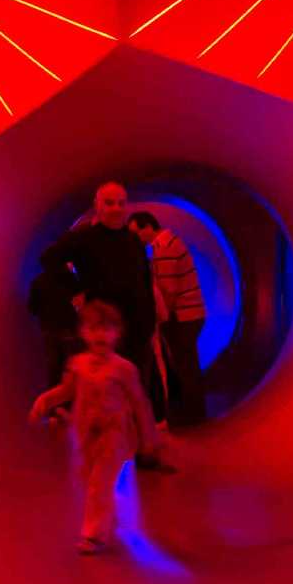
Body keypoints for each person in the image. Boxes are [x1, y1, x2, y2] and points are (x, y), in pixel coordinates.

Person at [30, 298, 171, 554]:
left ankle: (93, 535)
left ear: (117, 334)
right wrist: (45, 400)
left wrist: (149, 436)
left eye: (107, 329)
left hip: (113, 433)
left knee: (99, 482)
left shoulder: (123, 369)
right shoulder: (78, 364)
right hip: (85, 434)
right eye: (94, 328)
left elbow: (139, 402)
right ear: (83, 332)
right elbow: (67, 390)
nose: (101, 334)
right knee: (89, 480)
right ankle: (105, 515)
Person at [40, 182, 166, 424]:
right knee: (110, 395)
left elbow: (144, 280)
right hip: (107, 331)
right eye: (109, 202)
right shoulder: (84, 238)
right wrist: (77, 288)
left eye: (121, 202)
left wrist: (151, 320)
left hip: (138, 329)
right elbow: (48, 259)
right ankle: (112, 452)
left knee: (138, 392)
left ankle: (139, 451)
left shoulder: (132, 240)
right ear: (97, 205)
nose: (116, 208)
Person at [130, 210, 208, 427]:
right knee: (188, 362)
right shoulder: (171, 241)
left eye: (136, 233)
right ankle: (195, 409)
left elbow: (168, 290)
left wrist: (162, 317)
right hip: (192, 313)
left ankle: (193, 414)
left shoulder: (163, 249)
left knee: (185, 364)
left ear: (147, 227)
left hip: (182, 316)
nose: (136, 239)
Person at [26, 260, 82, 388]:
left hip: (49, 327)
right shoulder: (69, 278)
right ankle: (72, 399)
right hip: (68, 326)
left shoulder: (38, 281)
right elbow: (80, 295)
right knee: (72, 365)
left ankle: (55, 401)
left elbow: (32, 307)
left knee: (54, 367)